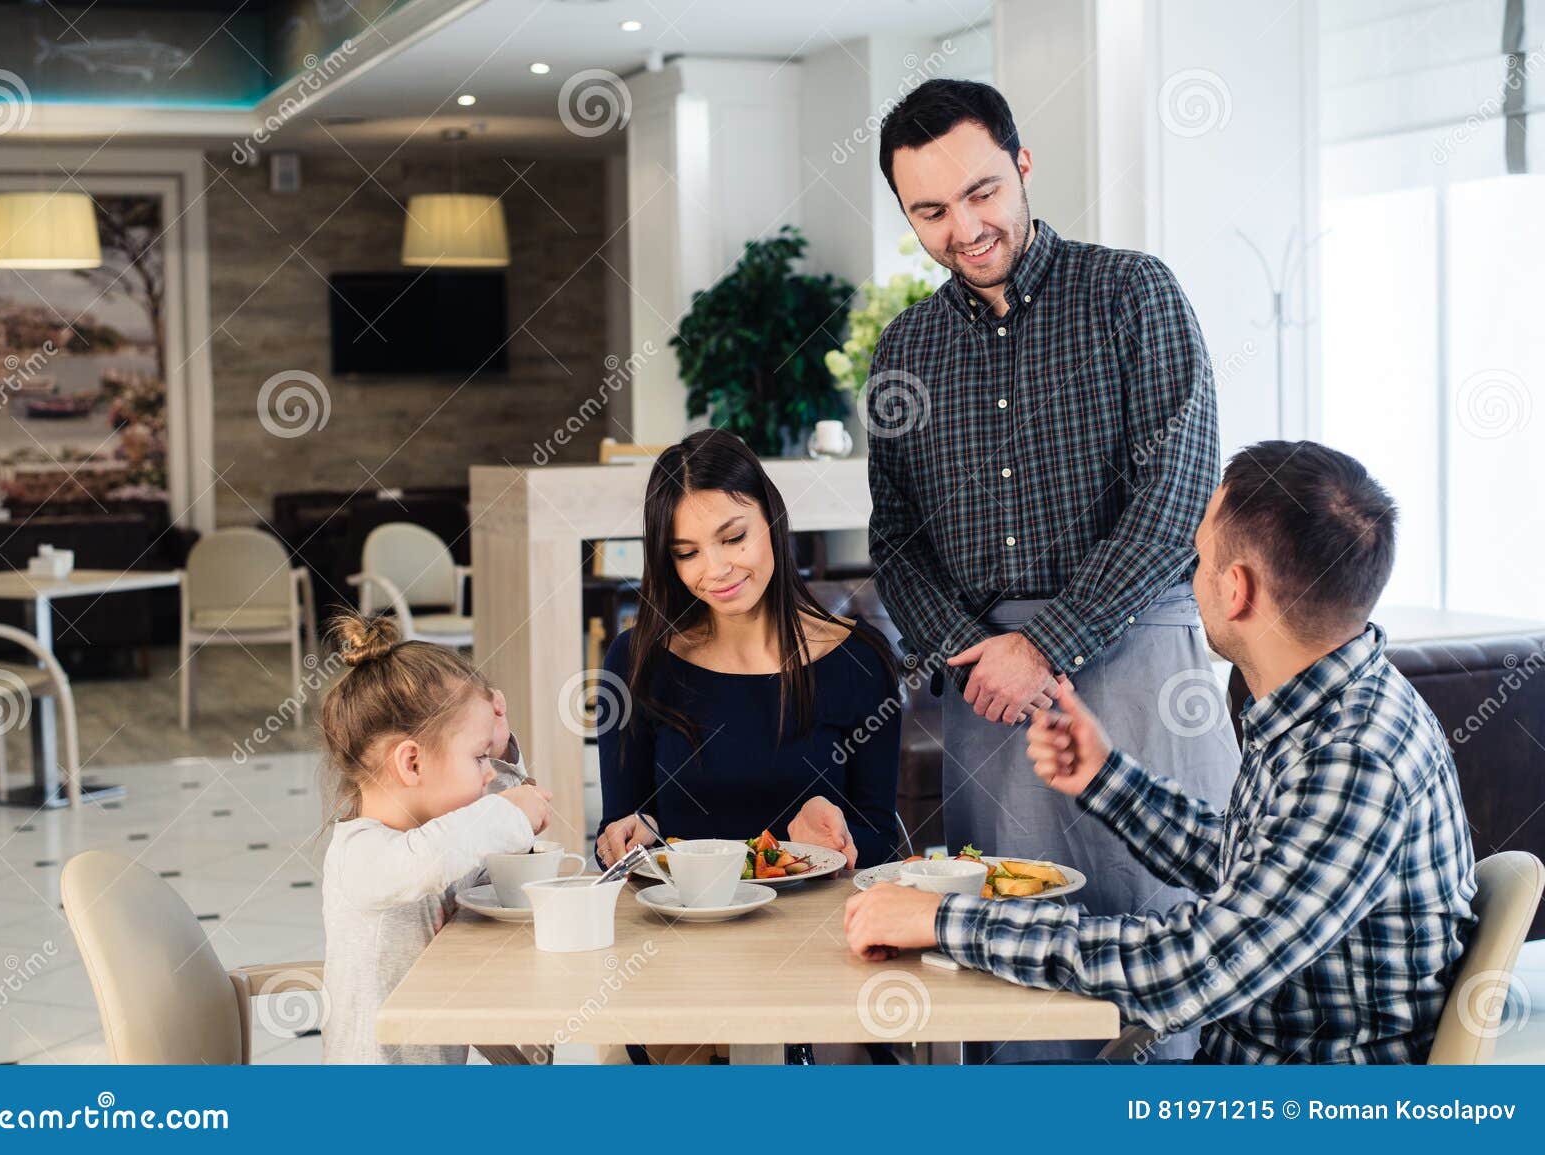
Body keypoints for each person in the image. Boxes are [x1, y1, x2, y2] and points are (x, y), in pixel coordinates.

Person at [846, 441, 1478, 1064]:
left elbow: (1189, 969)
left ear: (1235, 589)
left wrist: (944, 922)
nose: (1188, 575)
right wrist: (1106, 778)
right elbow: (1255, 872)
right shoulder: (1333, 704)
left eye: (1195, 558)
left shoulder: (1354, 758)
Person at [866, 77, 1240, 1061]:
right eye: (931, 211)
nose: (965, 227)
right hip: (985, 689)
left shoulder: (1134, 294)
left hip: (1135, 663)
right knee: (1009, 969)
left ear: (1022, 165)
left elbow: (1177, 497)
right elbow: (896, 540)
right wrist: (972, 650)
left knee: (1157, 949)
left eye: (982, 191)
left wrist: (1048, 644)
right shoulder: (903, 348)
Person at [597, 428, 901, 874]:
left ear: (772, 519)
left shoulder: (860, 660)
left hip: (818, 928)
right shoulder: (636, 661)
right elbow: (614, 836)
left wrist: (842, 840)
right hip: (686, 927)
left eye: (734, 537)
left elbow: (882, 844)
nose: (716, 570)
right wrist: (634, 834)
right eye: (687, 553)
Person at [317, 613, 553, 1064]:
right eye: (480, 758)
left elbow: (485, 848)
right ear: (412, 764)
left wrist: (504, 753)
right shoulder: (362, 856)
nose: (489, 775)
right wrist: (509, 811)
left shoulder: (434, 839)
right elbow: (440, 853)